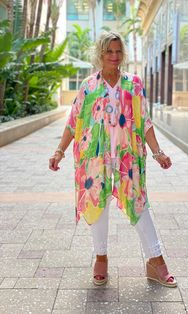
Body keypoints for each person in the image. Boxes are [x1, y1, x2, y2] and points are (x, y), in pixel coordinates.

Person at [49, 31, 177, 288]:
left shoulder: (134, 84)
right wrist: (59, 151)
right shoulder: (89, 86)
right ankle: (101, 257)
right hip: (94, 158)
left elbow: (145, 123)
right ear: (100, 53)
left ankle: (156, 261)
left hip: (127, 158)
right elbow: (74, 122)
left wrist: (157, 152)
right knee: (98, 206)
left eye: (118, 51)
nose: (114, 56)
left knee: (139, 205)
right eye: (109, 51)